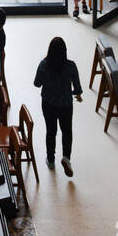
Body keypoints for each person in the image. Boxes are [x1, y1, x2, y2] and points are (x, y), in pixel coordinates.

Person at [33, 36, 83, 176]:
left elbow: (37, 83)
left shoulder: (44, 65)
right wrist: (77, 94)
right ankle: (66, 157)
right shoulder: (71, 66)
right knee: (67, 131)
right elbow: (77, 86)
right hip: (65, 104)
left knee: (51, 131)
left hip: (48, 103)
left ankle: (50, 160)